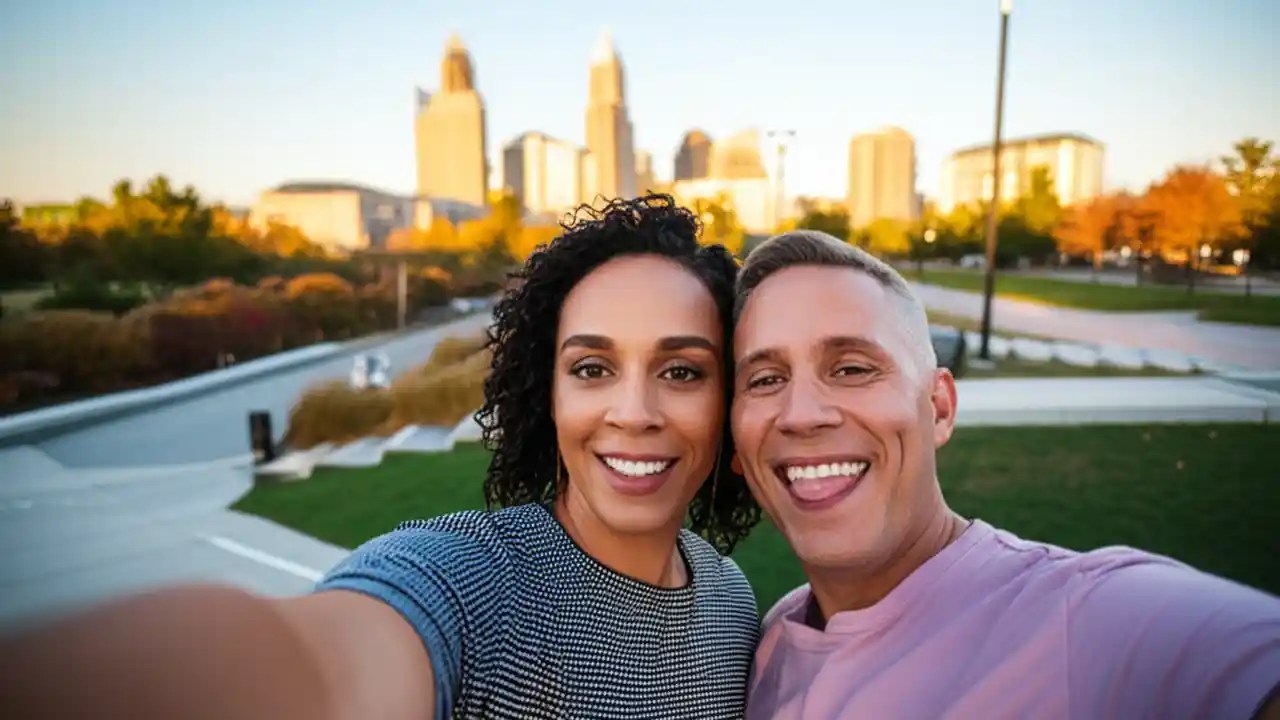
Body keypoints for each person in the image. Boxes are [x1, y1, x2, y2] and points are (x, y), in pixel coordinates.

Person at [0, 194, 762, 719]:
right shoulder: (464, 583)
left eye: (682, 371)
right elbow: (317, 665)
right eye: (592, 369)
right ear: (547, 394)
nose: (632, 412)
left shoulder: (732, 601)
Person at [729, 229, 1280, 719]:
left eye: (852, 368)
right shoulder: (773, 637)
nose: (801, 414)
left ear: (939, 407)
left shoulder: (1087, 618)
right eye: (764, 379)